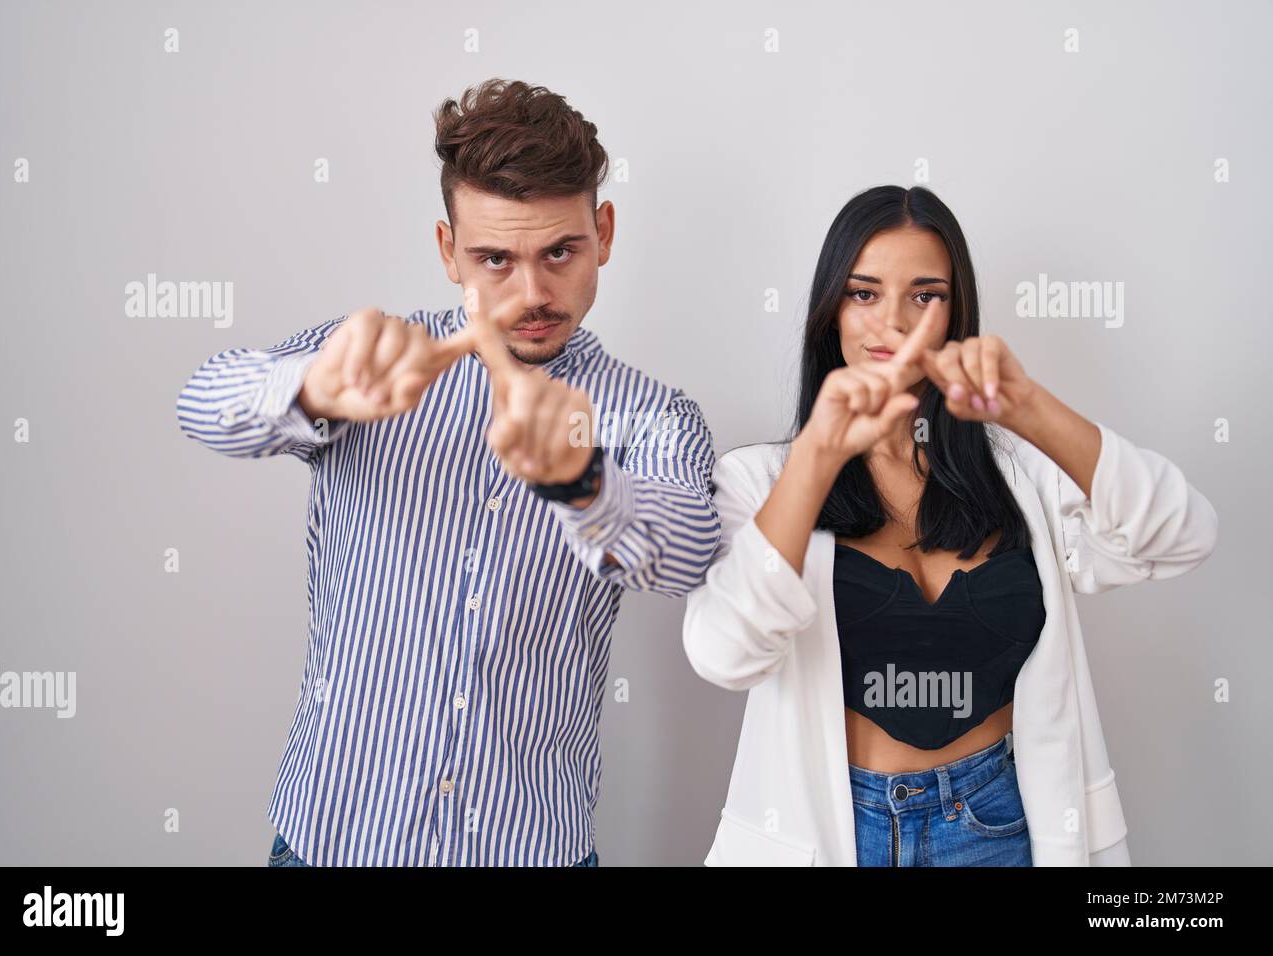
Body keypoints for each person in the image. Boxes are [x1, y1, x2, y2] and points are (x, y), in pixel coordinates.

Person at [175, 78, 720, 866]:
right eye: (494, 259)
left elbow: (693, 552)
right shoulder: (376, 358)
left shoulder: (653, 414)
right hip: (333, 839)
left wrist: (583, 481)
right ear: (446, 250)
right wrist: (313, 389)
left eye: (559, 252)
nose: (531, 293)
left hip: (528, 848)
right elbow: (202, 403)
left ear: (603, 231)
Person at [683, 185, 1218, 866]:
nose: (894, 324)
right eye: (865, 293)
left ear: (956, 313)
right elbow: (724, 654)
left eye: (925, 295)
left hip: (995, 823)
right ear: (831, 313)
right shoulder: (761, 481)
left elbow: (1184, 535)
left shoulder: (1017, 475)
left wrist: (1026, 408)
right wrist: (819, 455)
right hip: (836, 831)